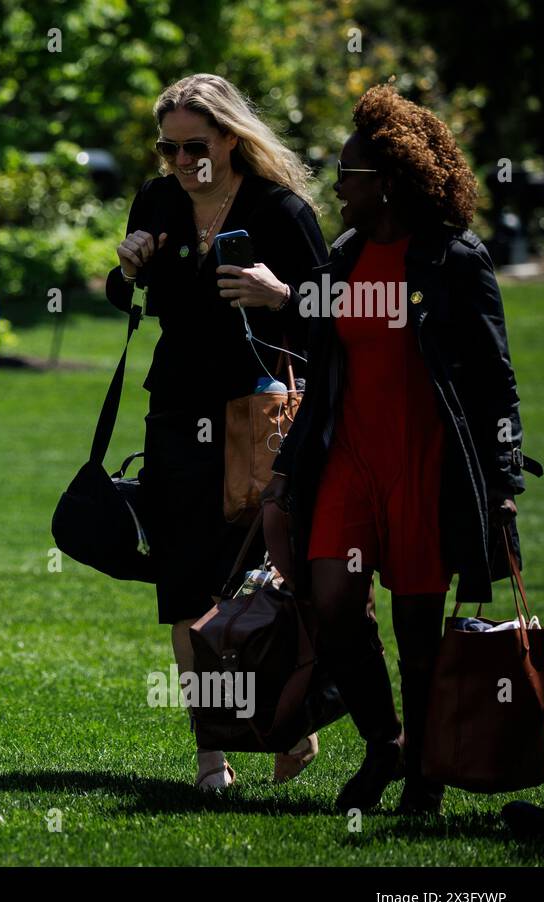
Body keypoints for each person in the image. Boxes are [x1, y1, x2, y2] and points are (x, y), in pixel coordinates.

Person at [264, 85, 527, 813]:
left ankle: (425, 773)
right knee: (335, 600)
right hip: (350, 460)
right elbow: (316, 367)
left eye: (345, 175)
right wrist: (286, 476)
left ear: (384, 183)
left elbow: (496, 380)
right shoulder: (344, 258)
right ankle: (385, 743)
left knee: (417, 629)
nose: (336, 187)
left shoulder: (452, 259)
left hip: (426, 464)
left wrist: (503, 480)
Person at [106, 74, 327, 789]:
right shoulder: (158, 200)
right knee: (185, 585)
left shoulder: (280, 210)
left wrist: (280, 295)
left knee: (266, 580)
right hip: (175, 409)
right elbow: (126, 297)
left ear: (230, 138)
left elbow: (334, 310)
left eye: (194, 146)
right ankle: (213, 756)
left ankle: (289, 726)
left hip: (259, 414)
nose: (179, 161)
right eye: (167, 148)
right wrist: (127, 268)